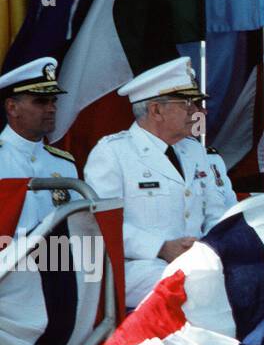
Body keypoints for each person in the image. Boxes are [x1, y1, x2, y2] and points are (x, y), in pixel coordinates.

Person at [84, 57, 236, 310]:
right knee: (196, 287)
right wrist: (161, 247)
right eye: (187, 103)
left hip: (199, 261)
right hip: (138, 266)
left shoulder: (194, 151)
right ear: (156, 110)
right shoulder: (113, 153)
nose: (196, 111)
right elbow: (101, 224)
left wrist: (210, 247)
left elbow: (215, 211)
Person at [0, 58, 78, 232]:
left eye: (53, 101)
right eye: (41, 101)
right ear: (12, 108)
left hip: (56, 257)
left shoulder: (64, 163)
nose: (51, 109)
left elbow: (77, 227)